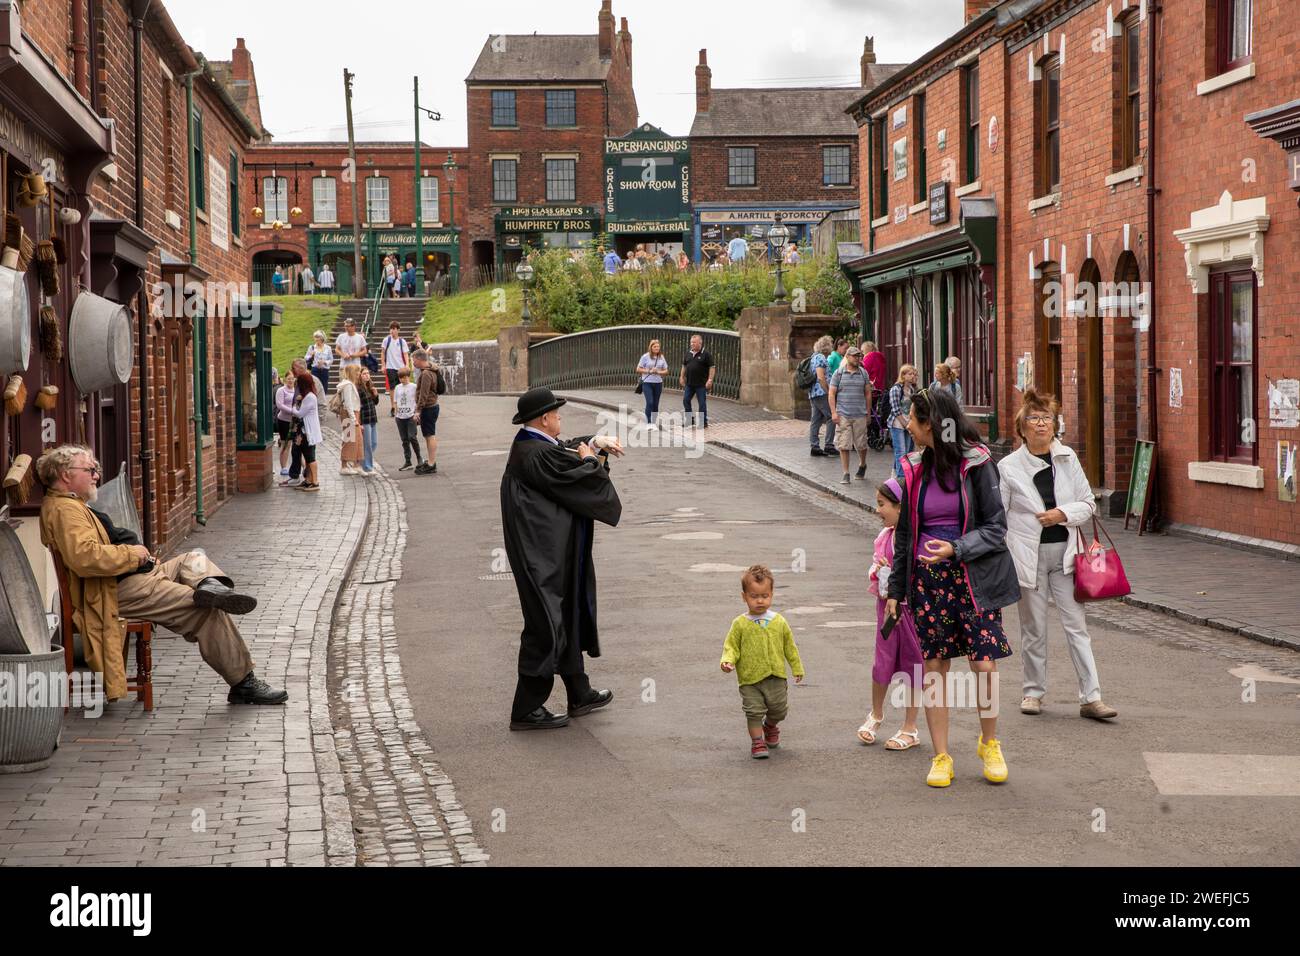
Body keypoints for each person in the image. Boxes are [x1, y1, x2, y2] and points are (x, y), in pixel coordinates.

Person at [37, 445, 287, 704]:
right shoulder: (66, 511)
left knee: (193, 558)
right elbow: (85, 559)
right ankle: (243, 682)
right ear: (66, 475)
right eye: (90, 470)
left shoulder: (73, 505)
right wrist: (134, 554)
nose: (96, 476)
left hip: (130, 578)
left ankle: (213, 587)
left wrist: (144, 560)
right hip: (113, 591)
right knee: (204, 610)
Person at [885, 387, 1021, 788]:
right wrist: (896, 589)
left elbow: (996, 529)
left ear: (931, 424)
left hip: (972, 578)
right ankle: (941, 755)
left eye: (912, 418)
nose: (906, 425)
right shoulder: (911, 468)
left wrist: (956, 549)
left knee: (984, 665)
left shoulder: (979, 464)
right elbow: (905, 534)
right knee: (936, 669)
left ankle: (990, 743)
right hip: (927, 582)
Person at [501, 387, 624, 730]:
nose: (560, 418)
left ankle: (578, 693)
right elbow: (572, 470)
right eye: (557, 414)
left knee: (566, 614)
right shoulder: (532, 453)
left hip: (553, 550)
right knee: (545, 622)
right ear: (544, 418)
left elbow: (564, 449)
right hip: (540, 556)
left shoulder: (534, 445)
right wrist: (589, 460)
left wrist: (595, 444)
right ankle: (526, 709)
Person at [999, 389, 1117, 720]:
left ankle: (1091, 697)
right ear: (1022, 427)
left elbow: (1088, 503)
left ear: (1055, 424)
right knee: (1033, 628)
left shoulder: (1067, 458)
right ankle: (1033, 693)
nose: (1041, 425)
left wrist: (1061, 514)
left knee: (1076, 626)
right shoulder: (1008, 467)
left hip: (1066, 555)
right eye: (1034, 418)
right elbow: (1000, 514)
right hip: (1028, 557)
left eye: (1047, 418)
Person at [859, 479, 923, 749]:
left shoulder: (916, 539)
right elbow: (873, 568)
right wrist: (878, 569)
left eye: (882, 504)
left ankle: (910, 727)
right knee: (881, 662)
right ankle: (875, 714)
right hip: (886, 610)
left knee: (914, 665)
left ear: (900, 507)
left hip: (911, 611)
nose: (878, 510)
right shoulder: (884, 537)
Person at [720, 564, 805, 759]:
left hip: (776, 676)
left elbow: (789, 646)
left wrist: (796, 667)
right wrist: (727, 661)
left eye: (765, 596)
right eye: (754, 596)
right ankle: (757, 742)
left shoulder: (779, 621)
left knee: (779, 710)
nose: (760, 601)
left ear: (772, 594)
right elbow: (731, 646)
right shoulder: (740, 623)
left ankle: (771, 725)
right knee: (753, 711)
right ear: (744, 597)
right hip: (750, 679)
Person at [829, 345, 872, 483]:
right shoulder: (839, 373)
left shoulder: (863, 373)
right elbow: (831, 393)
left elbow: (867, 393)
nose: (857, 358)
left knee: (861, 444)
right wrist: (834, 413)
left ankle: (863, 464)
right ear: (847, 357)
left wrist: (868, 413)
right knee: (844, 444)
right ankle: (846, 473)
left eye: (859, 355)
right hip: (843, 415)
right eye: (854, 355)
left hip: (860, 414)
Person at [887, 364, 919, 479]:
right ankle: (901, 477)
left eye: (913, 374)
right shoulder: (896, 389)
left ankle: (895, 473)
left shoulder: (911, 389)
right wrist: (905, 424)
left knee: (908, 451)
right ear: (903, 375)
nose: (912, 376)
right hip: (897, 424)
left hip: (908, 423)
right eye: (910, 374)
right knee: (901, 451)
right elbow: (895, 409)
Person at [412, 349, 441, 475]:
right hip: (432, 406)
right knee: (429, 435)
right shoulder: (431, 370)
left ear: (419, 359)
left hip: (429, 407)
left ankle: (431, 463)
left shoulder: (426, 374)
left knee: (430, 435)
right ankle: (430, 461)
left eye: (413, 359)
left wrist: (418, 410)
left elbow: (423, 394)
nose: (412, 362)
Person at [292, 371, 322, 492]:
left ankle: (315, 482)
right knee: (306, 456)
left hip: (308, 432)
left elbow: (300, 414)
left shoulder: (310, 397)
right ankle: (308, 480)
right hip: (305, 431)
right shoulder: (307, 396)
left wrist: (294, 407)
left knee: (310, 457)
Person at [808, 335, 836, 456]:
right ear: (826, 346)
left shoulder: (813, 357)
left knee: (816, 420)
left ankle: (814, 446)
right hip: (821, 392)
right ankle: (829, 445)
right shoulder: (820, 358)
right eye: (830, 344)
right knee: (831, 417)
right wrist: (829, 391)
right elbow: (820, 377)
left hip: (814, 393)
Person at [680, 333, 715, 429]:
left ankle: (703, 422)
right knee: (686, 400)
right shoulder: (688, 353)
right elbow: (684, 366)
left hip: (701, 384)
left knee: (702, 403)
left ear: (700, 343)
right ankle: (689, 420)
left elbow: (712, 367)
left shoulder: (706, 354)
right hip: (689, 384)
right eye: (691, 342)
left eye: (694, 342)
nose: (692, 344)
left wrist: (710, 380)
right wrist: (681, 377)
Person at [392, 367, 423, 471]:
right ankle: (408, 461)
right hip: (400, 417)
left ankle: (419, 457)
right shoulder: (397, 387)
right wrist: (396, 413)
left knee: (412, 437)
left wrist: (417, 412)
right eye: (400, 378)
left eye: (404, 378)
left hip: (411, 415)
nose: (402, 380)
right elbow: (395, 401)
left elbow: (418, 399)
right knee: (404, 440)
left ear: (408, 377)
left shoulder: (414, 386)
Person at [335, 365, 364, 476]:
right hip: (349, 414)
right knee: (349, 439)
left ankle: (355, 464)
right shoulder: (347, 385)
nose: (358, 374)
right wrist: (353, 419)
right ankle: (344, 465)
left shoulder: (350, 384)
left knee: (357, 439)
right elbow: (348, 403)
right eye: (357, 372)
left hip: (353, 413)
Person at [380, 321, 410, 417]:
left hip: (400, 367)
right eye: (391, 329)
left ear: (398, 330)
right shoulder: (386, 340)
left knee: (402, 386)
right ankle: (393, 407)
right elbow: (383, 353)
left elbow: (405, 354)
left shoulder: (402, 341)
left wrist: (407, 365)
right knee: (392, 388)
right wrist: (383, 365)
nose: (392, 331)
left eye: (394, 329)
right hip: (390, 367)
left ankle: (401, 405)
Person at [636, 338, 669, 426]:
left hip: (658, 383)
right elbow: (638, 369)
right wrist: (649, 371)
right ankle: (649, 423)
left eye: (658, 347)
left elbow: (666, 371)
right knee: (650, 402)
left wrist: (658, 372)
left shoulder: (661, 357)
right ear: (651, 347)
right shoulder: (645, 356)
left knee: (655, 404)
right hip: (647, 382)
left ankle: (653, 423)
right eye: (655, 347)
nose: (657, 348)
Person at [358, 367, 380, 477]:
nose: (367, 375)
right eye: (364, 374)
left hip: (373, 418)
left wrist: (375, 395)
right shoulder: (359, 389)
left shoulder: (369, 386)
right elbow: (359, 407)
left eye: (368, 373)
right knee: (367, 444)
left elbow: (375, 403)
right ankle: (367, 467)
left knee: (374, 442)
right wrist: (360, 422)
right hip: (365, 419)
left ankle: (363, 461)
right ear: (360, 375)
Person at [274, 373, 296, 476]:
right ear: (285, 379)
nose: (290, 381)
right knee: (285, 444)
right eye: (288, 379)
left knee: (295, 444)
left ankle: (302, 466)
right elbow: (280, 405)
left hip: (295, 421)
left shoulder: (296, 390)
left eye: (292, 379)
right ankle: (283, 467)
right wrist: (292, 411)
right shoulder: (281, 390)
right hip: (283, 421)